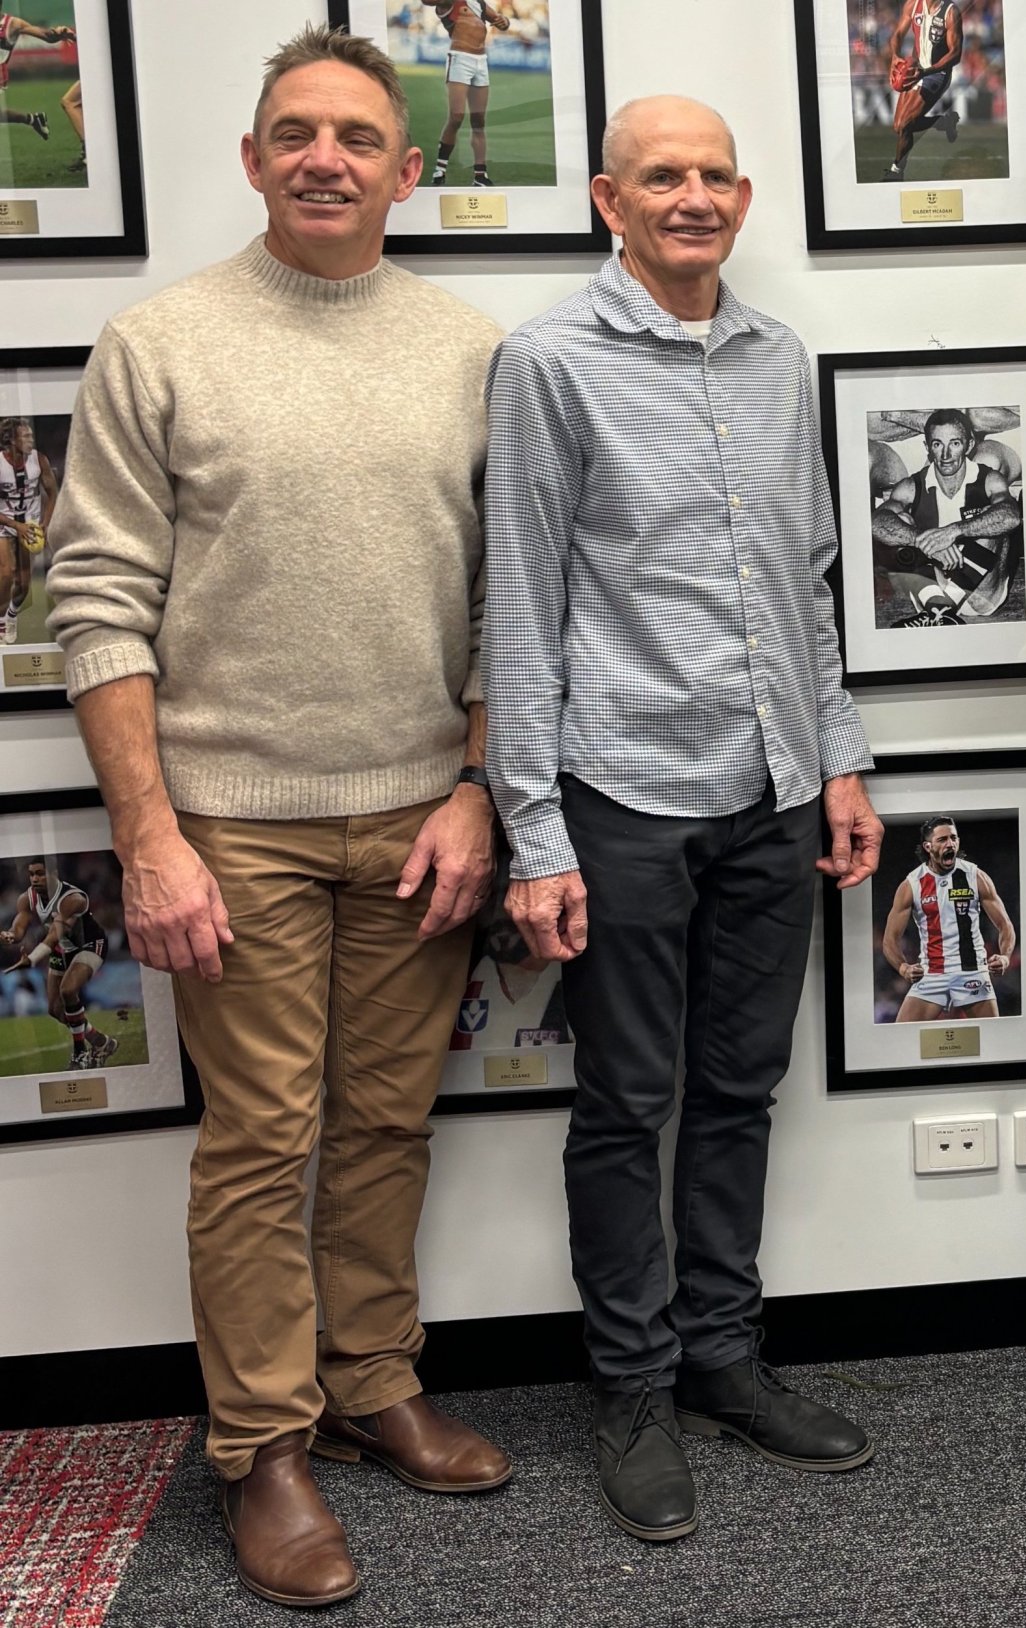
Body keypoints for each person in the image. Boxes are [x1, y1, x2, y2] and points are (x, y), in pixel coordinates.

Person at [45, 26, 511, 1610]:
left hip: (418, 820)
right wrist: (151, 837)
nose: (326, 158)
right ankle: (263, 1446)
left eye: (356, 137)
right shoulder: (156, 341)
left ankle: (373, 1384)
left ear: (406, 166)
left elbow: (513, 606)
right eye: (294, 133)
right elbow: (93, 603)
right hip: (229, 824)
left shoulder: (470, 348)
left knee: (385, 1123)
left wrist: (474, 789)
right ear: (251, 161)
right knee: (260, 1141)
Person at [483, 94, 884, 1546]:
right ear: (609, 197)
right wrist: (533, 833)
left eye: (715, 174)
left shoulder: (780, 360)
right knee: (624, 1107)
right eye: (664, 175)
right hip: (624, 796)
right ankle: (632, 1387)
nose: (694, 195)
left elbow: (809, 586)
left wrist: (837, 762)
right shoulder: (549, 363)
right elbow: (520, 618)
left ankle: (723, 1358)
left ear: (744, 193)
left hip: (772, 795)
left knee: (737, 1094)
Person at [869, 408, 1022, 625]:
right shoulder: (912, 486)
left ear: (969, 445)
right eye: (938, 444)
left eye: (955, 444)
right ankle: (940, 612)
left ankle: (938, 612)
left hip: (979, 594)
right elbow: (877, 523)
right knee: (900, 523)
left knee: (993, 517)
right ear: (928, 447)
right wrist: (922, 539)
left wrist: (953, 532)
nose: (946, 455)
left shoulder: (988, 478)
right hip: (930, 588)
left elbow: (1011, 517)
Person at [880, 816, 1016, 1020]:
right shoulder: (912, 884)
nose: (950, 843)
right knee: (903, 1040)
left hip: (972, 972)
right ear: (928, 846)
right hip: (932, 974)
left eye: (953, 838)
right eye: (942, 839)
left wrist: (1005, 956)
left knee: (992, 1042)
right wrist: (903, 967)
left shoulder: (975, 876)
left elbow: (1005, 925)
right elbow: (890, 940)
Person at [0, 858, 114, 1067]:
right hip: (62, 950)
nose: (35, 879)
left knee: (68, 990)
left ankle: (80, 1053)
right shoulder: (27, 898)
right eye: (32, 874)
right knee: (54, 1009)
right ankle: (101, 1041)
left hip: (89, 944)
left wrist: (33, 959)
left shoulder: (72, 899)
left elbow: (54, 934)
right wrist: (8, 935)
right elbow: (19, 928)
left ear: (53, 874)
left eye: (40, 873)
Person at [426, 0, 511, 188]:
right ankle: (440, 170)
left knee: (478, 121)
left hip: (481, 61)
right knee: (456, 116)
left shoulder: (478, 3)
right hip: (460, 58)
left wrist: (504, 21)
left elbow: (499, 21)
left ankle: (480, 175)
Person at [881, 0, 963, 182]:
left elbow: (955, 53)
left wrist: (927, 71)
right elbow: (897, 35)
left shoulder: (950, 12)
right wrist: (895, 56)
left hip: (937, 73)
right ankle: (943, 122)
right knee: (898, 126)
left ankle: (896, 171)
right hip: (917, 69)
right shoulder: (913, 4)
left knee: (904, 125)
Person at [0, 417, 58, 645]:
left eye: (30, 435)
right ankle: (1, 623)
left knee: (23, 584)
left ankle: (11, 616)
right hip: (5, 525)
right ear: (11, 440)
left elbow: (53, 493)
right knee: (5, 573)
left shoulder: (39, 460)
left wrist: (44, 523)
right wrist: (17, 526)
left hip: (30, 524)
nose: (30, 439)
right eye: (25, 436)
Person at [0, 12, 73, 146]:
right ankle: (33, 120)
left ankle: (32, 120)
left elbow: (47, 36)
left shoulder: (12, 23)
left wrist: (58, 32)